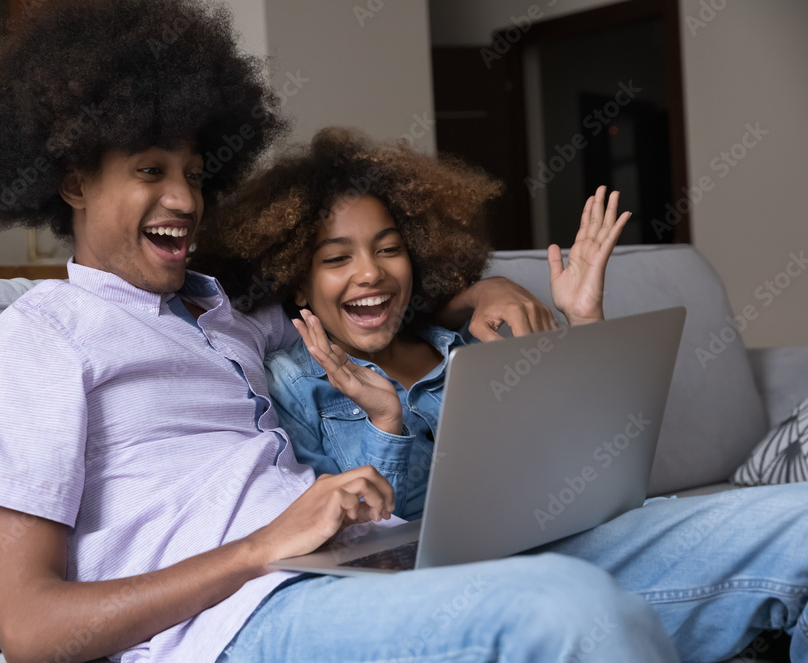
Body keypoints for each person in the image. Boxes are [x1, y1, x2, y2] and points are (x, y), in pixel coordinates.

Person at [0, 0, 687, 662]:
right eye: (150, 170)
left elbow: (361, 292)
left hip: (359, 560)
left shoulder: (230, 315)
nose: (185, 199)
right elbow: (30, 628)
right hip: (242, 618)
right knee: (569, 607)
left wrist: (478, 290)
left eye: (194, 173)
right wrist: (259, 549)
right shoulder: (44, 336)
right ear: (72, 182)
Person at [194, 126, 808, 660]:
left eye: (389, 249)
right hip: (454, 595)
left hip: (561, 544)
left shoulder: (469, 344)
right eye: (337, 259)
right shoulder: (290, 385)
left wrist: (585, 319)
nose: (371, 273)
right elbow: (360, 546)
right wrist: (387, 424)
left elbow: (589, 466)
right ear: (297, 283)